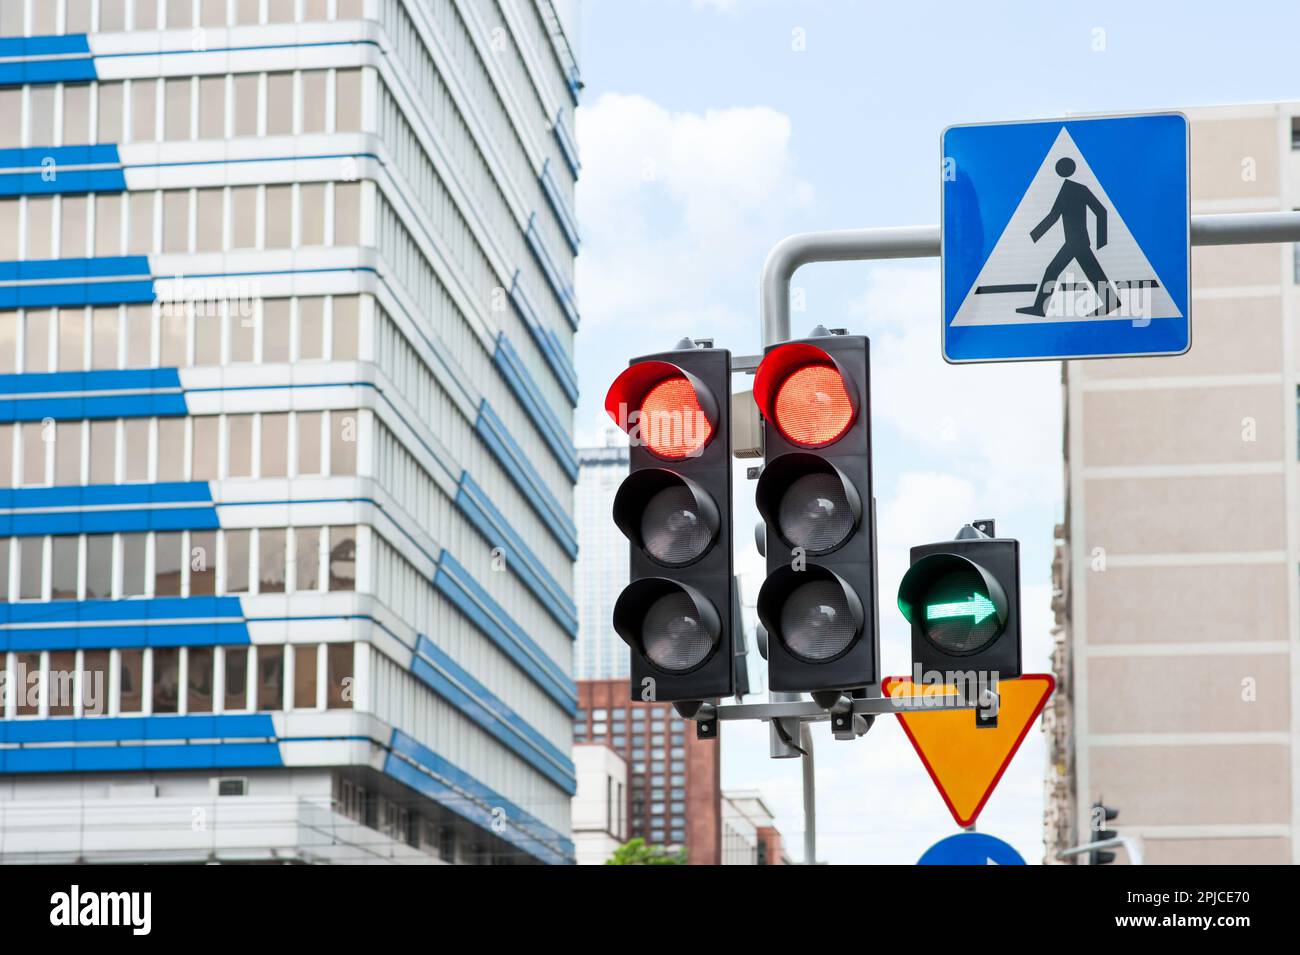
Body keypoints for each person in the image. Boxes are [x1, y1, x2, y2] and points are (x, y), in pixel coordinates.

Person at [1016, 157, 1120, 318]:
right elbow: (1054, 216)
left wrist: (1102, 241)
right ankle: (1110, 302)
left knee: (1056, 270)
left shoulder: (1072, 189)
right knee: (1090, 271)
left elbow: (1101, 211)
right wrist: (1033, 235)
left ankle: (1040, 308)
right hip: (1075, 241)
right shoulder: (1070, 189)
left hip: (1076, 241)